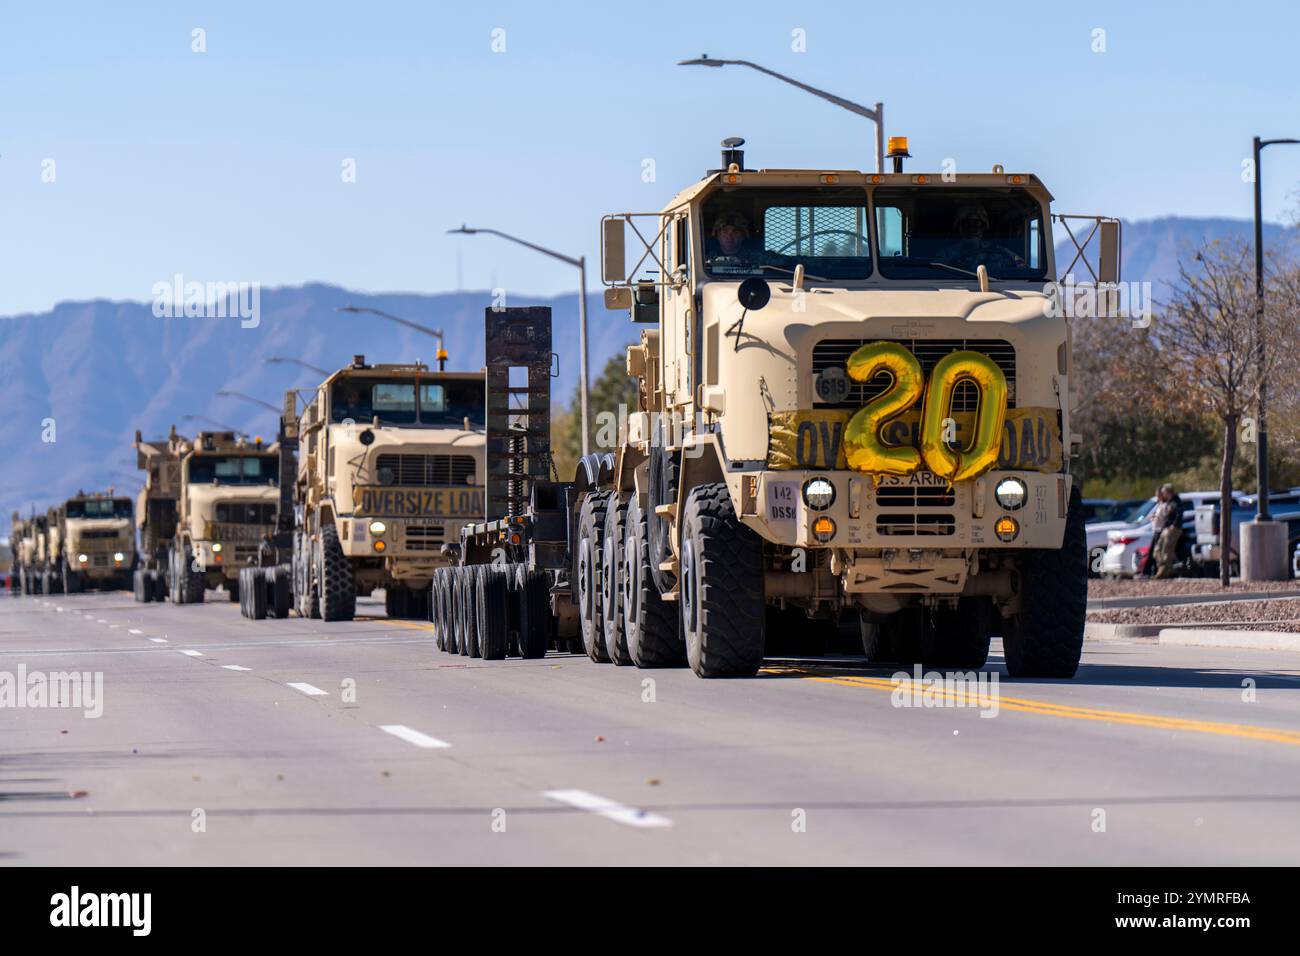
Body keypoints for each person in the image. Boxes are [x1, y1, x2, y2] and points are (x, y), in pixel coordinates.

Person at [935, 203, 1023, 272]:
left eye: (977, 223)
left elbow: (1022, 268)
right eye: (967, 224)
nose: (972, 228)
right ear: (959, 227)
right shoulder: (946, 254)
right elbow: (934, 274)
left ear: (984, 228)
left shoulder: (999, 252)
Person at [1150, 483, 1185, 579]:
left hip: (1172, 529)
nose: (1162, 494)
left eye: (1164, 492)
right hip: (1165, 529)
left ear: (1168, 492)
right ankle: (1166, 569)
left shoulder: (1176, 502)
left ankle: (1163, 573)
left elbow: (1179, 514)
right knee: (1157, 550)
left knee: (1166, 551)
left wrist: (1174, 524)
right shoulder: (1168, 502)